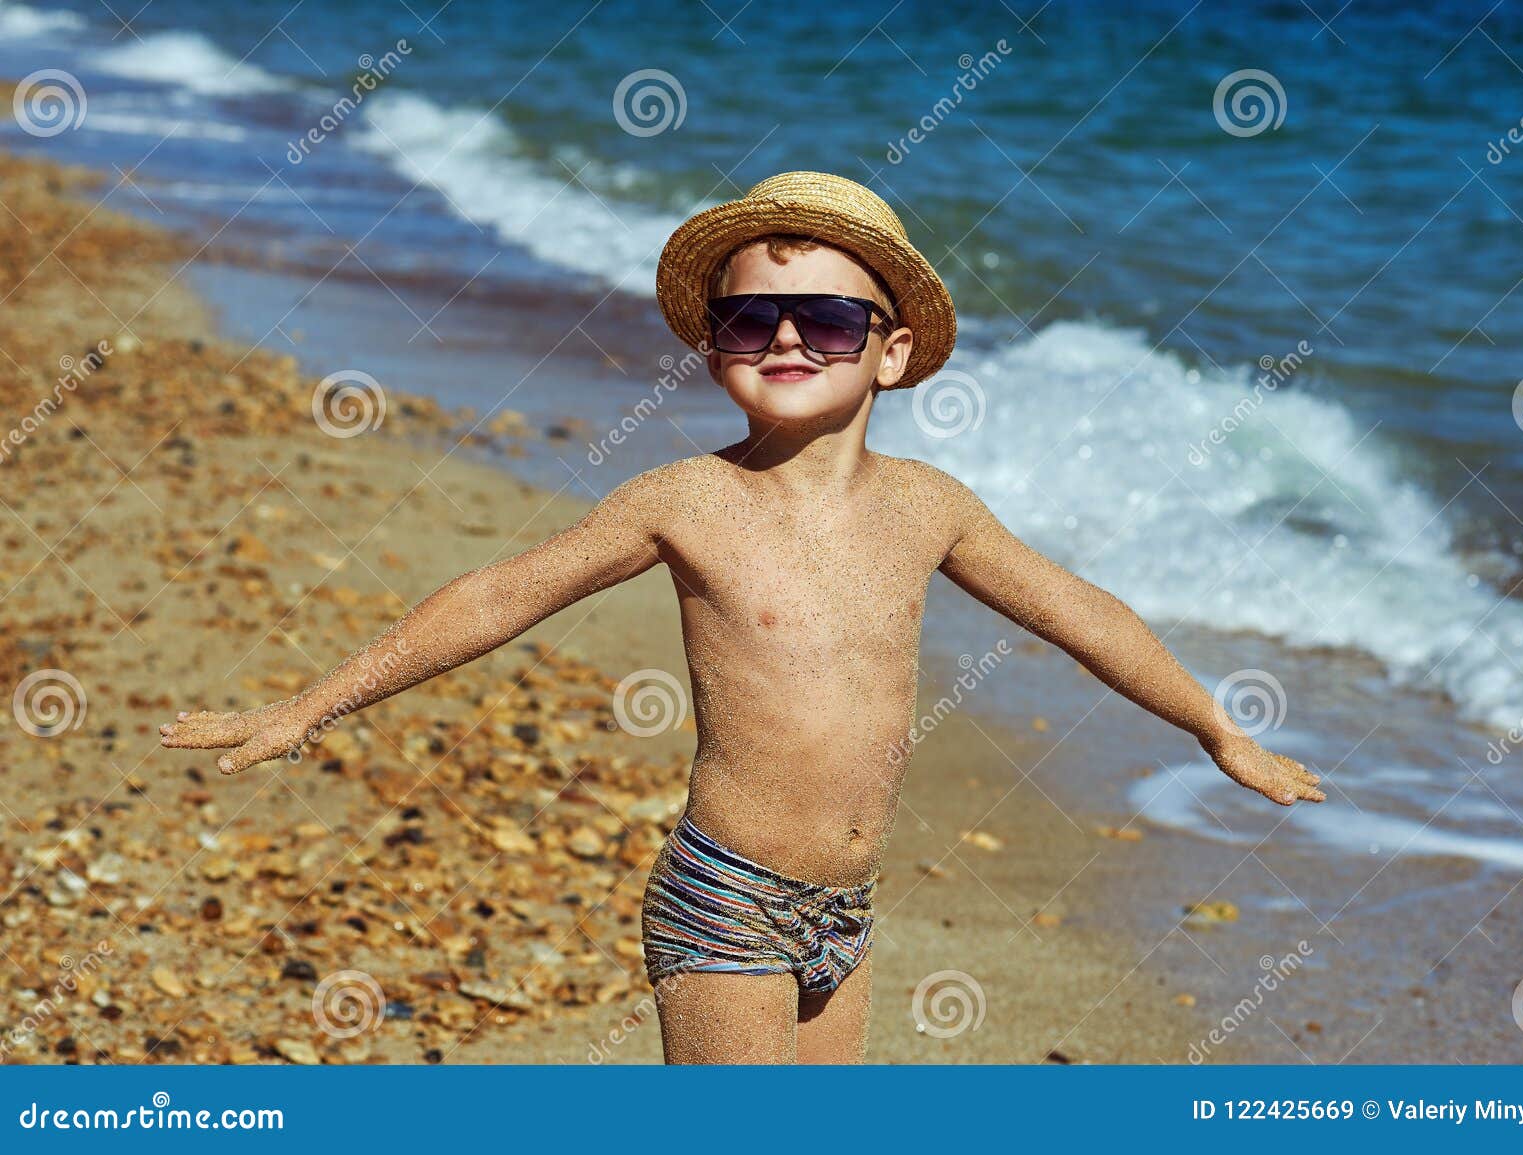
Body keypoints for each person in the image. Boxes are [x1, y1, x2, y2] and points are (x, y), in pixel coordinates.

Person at [161, 171, 1323, 1064]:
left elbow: (1080, 614)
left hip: (848, 907)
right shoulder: (688, 500)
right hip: (726, 897)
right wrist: (309, 707)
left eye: (823, 318)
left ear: (892, 349)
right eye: (746, 317)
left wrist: (1213, 728)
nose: (781, 339)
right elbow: (500, 595)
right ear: (712, 342)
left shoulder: (931, 509)